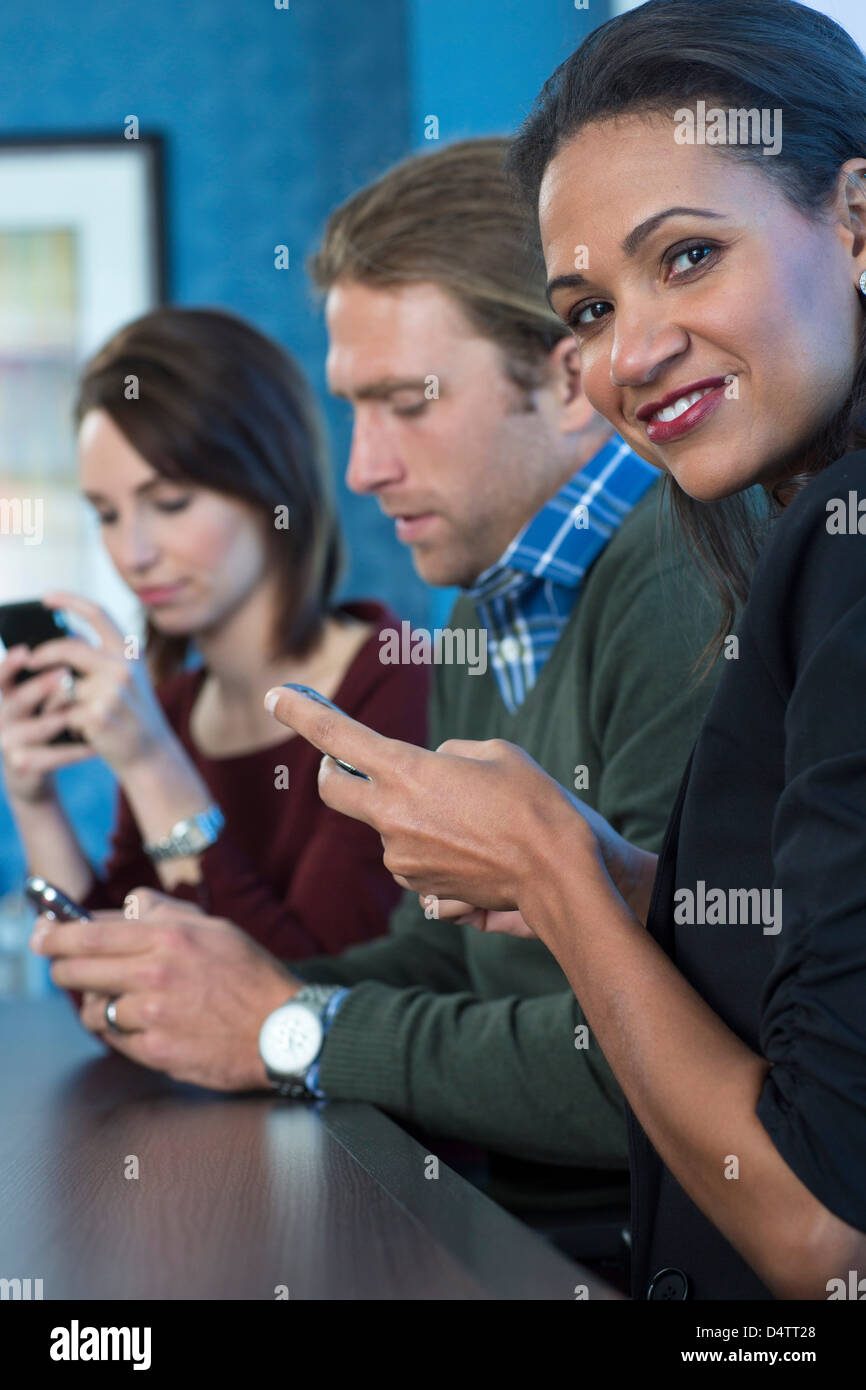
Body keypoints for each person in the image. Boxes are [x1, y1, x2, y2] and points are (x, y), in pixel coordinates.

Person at [258, 0, 866, 1300]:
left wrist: (552, 874)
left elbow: (822, 1231)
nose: (631, 349)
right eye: (587, 304)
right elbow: (808, 958)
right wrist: (614, 877)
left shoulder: (830, 540)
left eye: (690, 255)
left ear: (853, 218)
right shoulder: (781, 530)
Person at [30, 141, 719, 1231]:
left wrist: (283, 1024)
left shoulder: (683, 579)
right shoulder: (482, 607)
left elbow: (651, 1066)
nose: (362, 468)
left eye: (406, 403)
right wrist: (223, 992)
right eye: (354, 409)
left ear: (564, 379)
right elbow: (439, 948)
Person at [1, 306, 427, 959]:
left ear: (267, 485)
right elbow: (116, 995)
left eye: (169, 503)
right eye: (106, 514)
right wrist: (33, 800)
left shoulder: (396, 687)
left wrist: (151, 766)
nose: (133, 552)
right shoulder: (169, 707)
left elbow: (309, 1004)